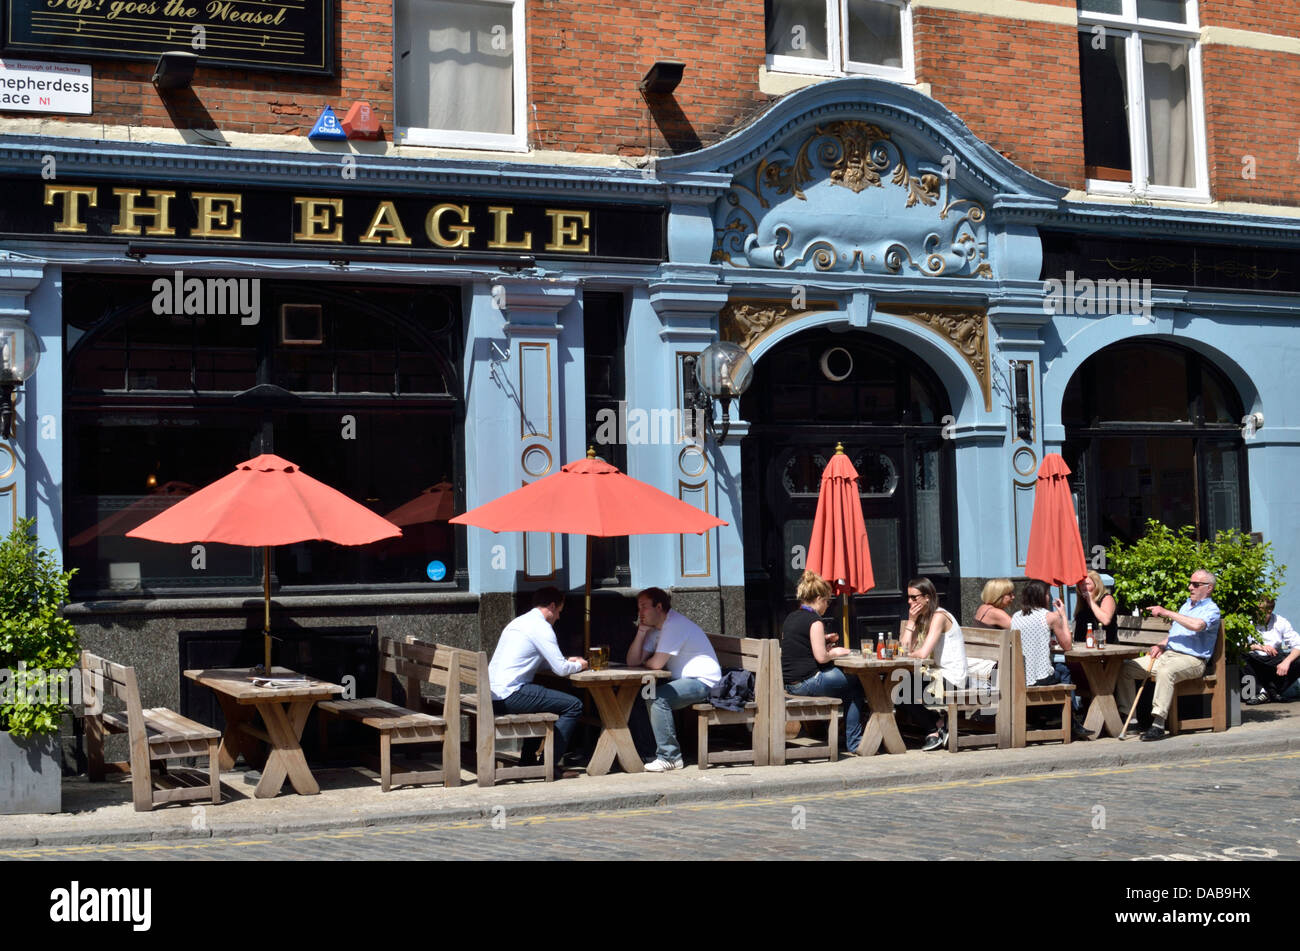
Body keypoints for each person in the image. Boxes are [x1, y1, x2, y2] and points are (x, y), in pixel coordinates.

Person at [487, 586, 587, 778]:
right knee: (574, 705)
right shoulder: (541, 627)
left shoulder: (519, 622)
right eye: (559, 611)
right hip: (510, 694)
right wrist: (579, 665)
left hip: (493, 694)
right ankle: (549, 766)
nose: (558, 617)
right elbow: (561, 669)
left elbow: (536, 660)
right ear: (551, 606)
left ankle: (528, 761)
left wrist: (565, 661)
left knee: (540, 701)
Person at [1115, 568, 1221, 741]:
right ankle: (1131, 719)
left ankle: (1158, 724)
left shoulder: (1212, 610)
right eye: (1190, 583)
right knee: (1127, 668)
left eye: (1195, 584)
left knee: (1166, 672)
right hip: (1169, 655)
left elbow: (1197, 626)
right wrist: (1161, 644)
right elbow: (1176, 634)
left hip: (1193, 660)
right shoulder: (1186, 605)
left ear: (1208, 588)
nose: (1190, 587)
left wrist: (1166, 612)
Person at [626, 587, 722, 772]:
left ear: (659, 607)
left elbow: (656, 664)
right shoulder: (655, 630)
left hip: (703, 682)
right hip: (682, 680)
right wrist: (641, 632)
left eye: (644, 607)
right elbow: (632, 661)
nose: (640, 612)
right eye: (638, 608)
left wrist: (648, 661)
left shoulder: (675, 624)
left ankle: (670, 757)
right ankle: (649, 753)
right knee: (641, 696)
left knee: (657, 698)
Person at [781, 570, 867, 756]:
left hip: (790, 683)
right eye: (827, 601)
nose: (828, 605)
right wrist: (834, 651)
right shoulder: (815, 621)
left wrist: (825, 639)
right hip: (807, 682)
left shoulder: (791, 617)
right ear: (819, 598)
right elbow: (821, 658)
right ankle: (855, 743)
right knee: (856, 685)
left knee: (851, 684)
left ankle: (842, 735)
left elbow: (800, 643)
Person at [1015, 579, 1091, 740]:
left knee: (1060, 670)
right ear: (1041, 597)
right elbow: (1067, 645)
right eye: (1048, 594)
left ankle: (1043, 717)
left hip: (1019, 677)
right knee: (1064, 671)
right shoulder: (1049, 617)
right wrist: (1062, 614)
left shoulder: (1015, 617)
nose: (1049, 597)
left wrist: (1045, 642)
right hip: (1039, 678)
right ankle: (1071, 721)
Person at [900, 577, 966, 751]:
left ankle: (932, 730)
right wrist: (912, 622)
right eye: (909, 597)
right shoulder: (923, 618)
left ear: (927, 597)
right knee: (898, 687)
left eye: (914, 597)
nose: (910, 601)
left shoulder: (939, 616)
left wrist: (912, 622)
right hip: (936, 673)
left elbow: (921, 653)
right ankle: (938, 723)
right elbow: (904, 649)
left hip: (952, 676)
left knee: (902, 690)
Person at [1244, 597, 1300, 704]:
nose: (1256, 614)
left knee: (1297, 659)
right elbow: (1239, 645)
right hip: (1254, 661)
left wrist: (1286, 662)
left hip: (1274, 661)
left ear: (1270, 610)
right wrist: (1258, 647)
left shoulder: (1281, 622)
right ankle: (1259, 692)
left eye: (1260, 611)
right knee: (1240, 656)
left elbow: (1298, 644)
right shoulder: (1248, 621)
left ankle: (1273, 691)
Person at [1074, 570, 1117, 645]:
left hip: (1105, 647)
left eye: (1087, 584)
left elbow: (1105, 620)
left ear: (1096, 585)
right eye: (1081, 584)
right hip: (1083, 647)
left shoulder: (1107, 598)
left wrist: (1090, 601)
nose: (1084, 587)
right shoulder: (1082, 603)